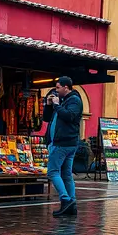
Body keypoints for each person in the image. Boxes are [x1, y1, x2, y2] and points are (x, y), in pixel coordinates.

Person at [43, 76, 83, 217]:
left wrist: (57, 105)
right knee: (66, 174)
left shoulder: (74, 100)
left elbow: (69, 116)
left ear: (66, 87)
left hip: (64, 143)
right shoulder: (62, 101)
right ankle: (71, 205)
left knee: (52, 172)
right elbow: (46, 119)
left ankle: (65, 200)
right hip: (61, 143)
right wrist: (49, 105)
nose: (56, 89)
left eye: (58, 87)